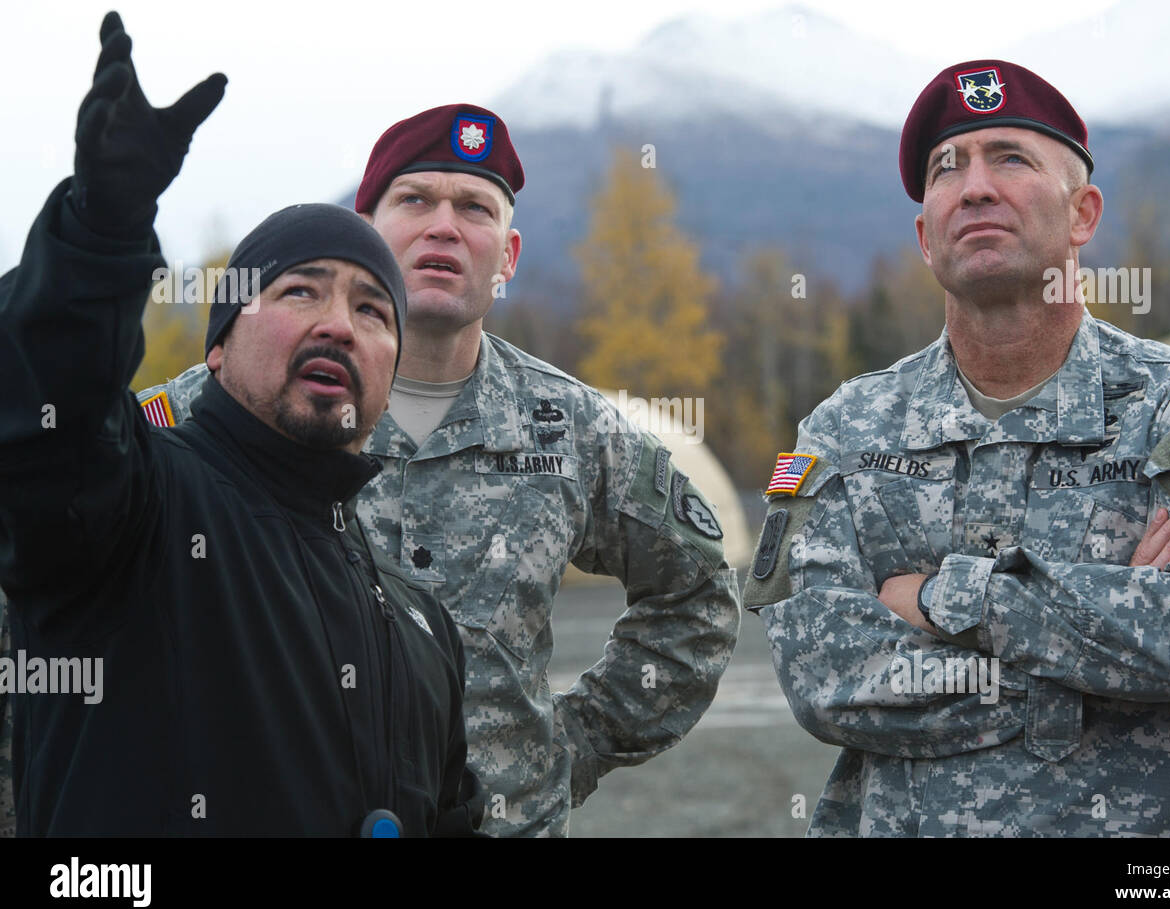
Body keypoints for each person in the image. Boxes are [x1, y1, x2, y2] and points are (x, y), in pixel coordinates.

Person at [127, 105, 742, 836]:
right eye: (415, 200)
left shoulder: (575, 428)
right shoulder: (214, 405)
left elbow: (700, 590)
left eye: (474, 208)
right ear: (366, 231)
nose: (444, 227)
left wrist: (568, 748)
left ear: (508, 256)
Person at [744, 59, 1170, 837]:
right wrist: (1112, 656)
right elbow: (823, 674)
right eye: (947, 167)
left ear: (1083, 213)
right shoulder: (846, 428)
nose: (974, 187)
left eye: (1009, 158)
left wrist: (939, 599)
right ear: (925, 236)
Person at [0, 13, 481, 836]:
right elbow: (41, 409)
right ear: (218, 346)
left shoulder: (423, 626)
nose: (339, 324)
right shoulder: (137, 501)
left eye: (373, 310)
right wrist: (98, 231)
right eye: (300, 291)